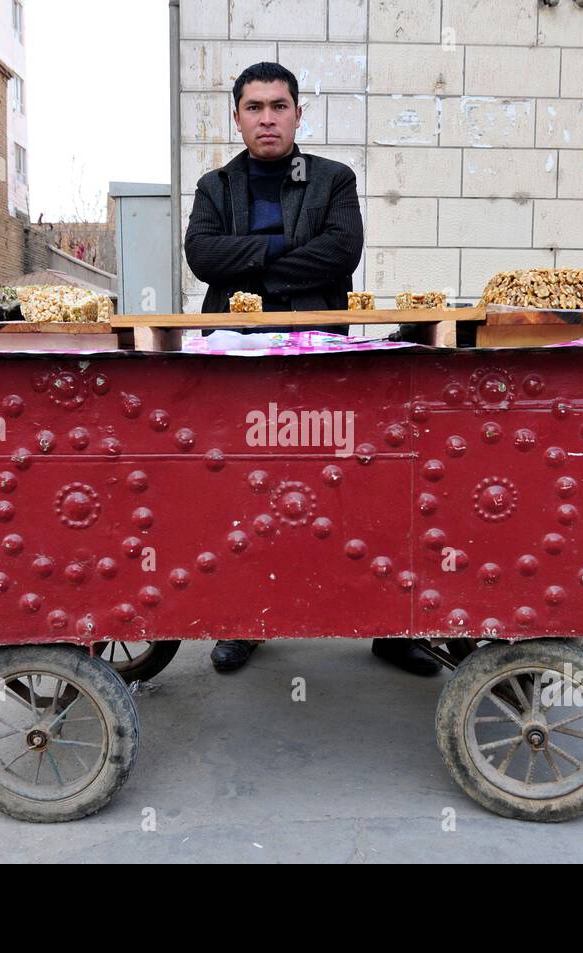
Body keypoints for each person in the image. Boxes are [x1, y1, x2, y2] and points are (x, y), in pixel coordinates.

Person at [183, 62, 441, 678]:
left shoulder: (332, 180)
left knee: (353, 487)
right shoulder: (216, 187)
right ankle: (244, 621)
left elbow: (340, 252)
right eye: (254, 107)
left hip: (320, 361)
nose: (266, 117)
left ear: (299, 113)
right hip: (237, 366)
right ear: (237, 115)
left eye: (278, 105)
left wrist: (248, 268)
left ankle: (389, 626)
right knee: (241, 492)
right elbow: (201, 255)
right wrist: (284, 252)